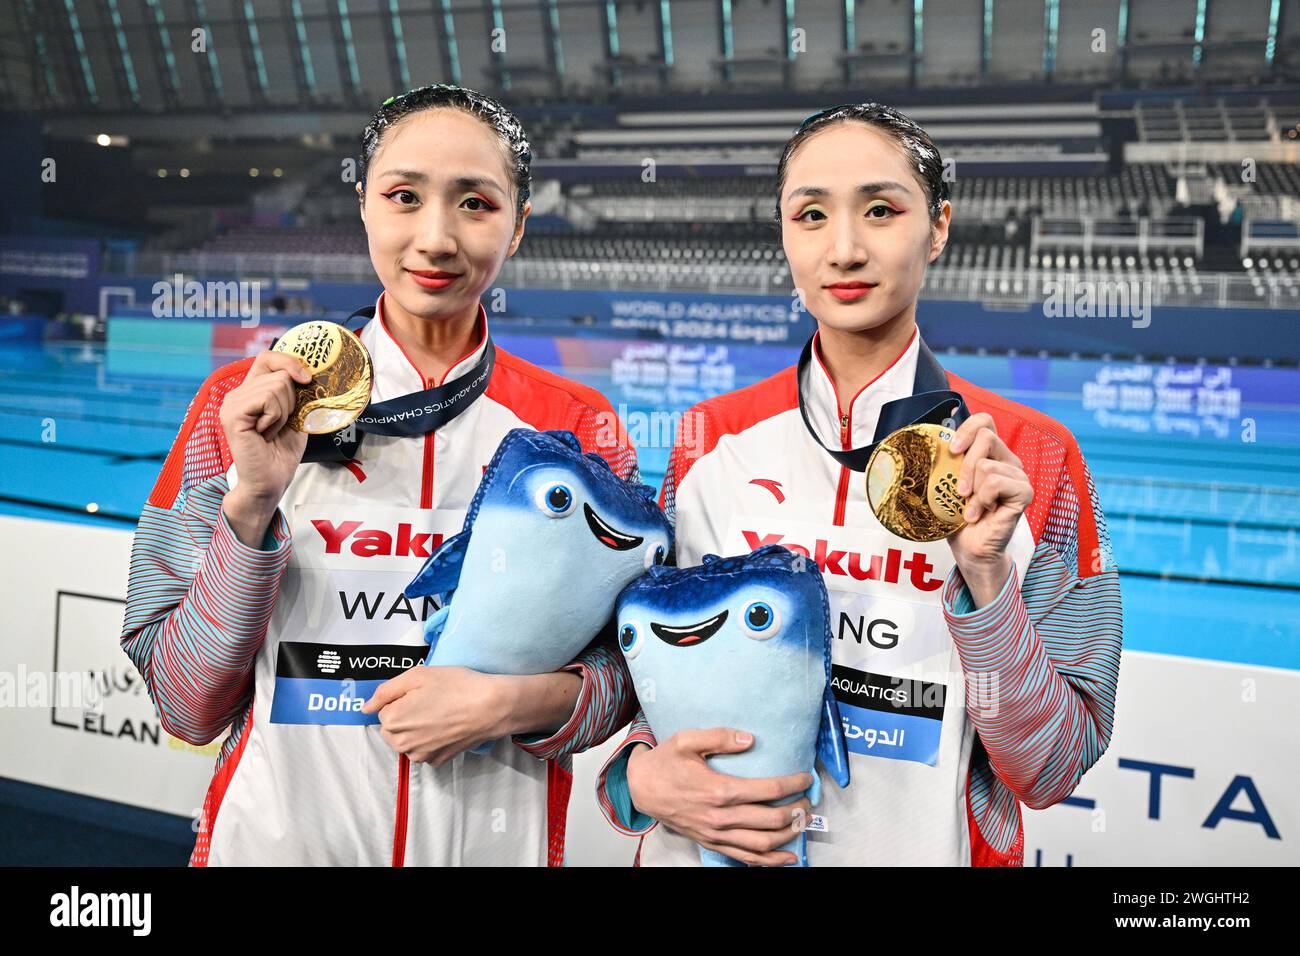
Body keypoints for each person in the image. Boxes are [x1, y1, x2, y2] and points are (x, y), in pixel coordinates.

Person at [121, 85, 640, 866]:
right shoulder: (238, 407)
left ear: (519, 225)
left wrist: (508, 702)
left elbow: (624, 676)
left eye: (475, 203)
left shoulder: (579, 427)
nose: (435, 239)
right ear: (363, 205)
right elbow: (184, 703)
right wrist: (253, 505)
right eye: (403, 197)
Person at [594, 103, 1123, 866]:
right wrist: (637, 775)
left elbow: (1052, 766)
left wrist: (985, 578)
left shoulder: (1036, 462)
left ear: (938, 226)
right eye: (810, 215)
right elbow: (652, 670)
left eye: (881, 210)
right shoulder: (709, 442)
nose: (843, 249)